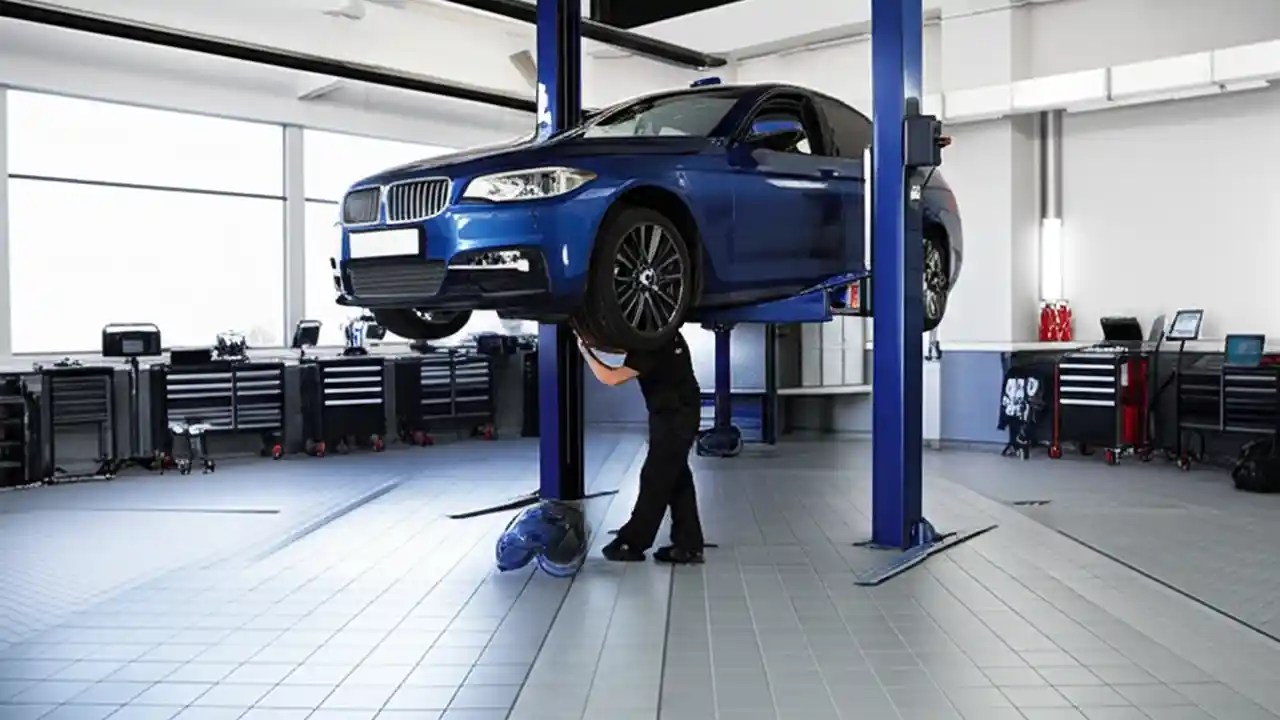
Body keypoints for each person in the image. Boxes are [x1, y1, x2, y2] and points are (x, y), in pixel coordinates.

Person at [577, 330, 706, 564]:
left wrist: (585, 350)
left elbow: (611, 378)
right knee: (677, 479)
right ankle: (688, 545)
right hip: (675, 413)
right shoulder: (664, 336)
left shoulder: (654, 343)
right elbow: (621, 350)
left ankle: (632, 542)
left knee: (654, 478)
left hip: (675, 417)